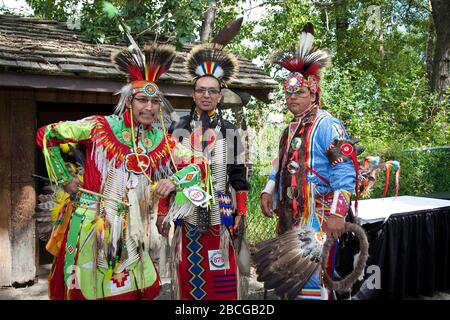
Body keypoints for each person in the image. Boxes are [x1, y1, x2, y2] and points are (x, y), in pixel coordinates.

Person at [36, 43, 207, 300]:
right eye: (142, 100)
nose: (149, 107)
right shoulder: (100, 127)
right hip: (92, 224)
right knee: (88, 290)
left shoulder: (161, 140)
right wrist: (64, 178)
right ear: (128, 101)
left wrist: (173, 181)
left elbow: (200, 164)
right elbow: (47, 134)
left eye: (155, 101)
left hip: (133, 228)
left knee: (134, 290)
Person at [259, 23, 359, 300]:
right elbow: (279, 165)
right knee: (291, 277)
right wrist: (268, 190)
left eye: (299, 93)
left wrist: (338, 214)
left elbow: (345, 171)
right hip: (290, 213)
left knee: (313, 277)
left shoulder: (329, 126)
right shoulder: (289, 129)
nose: (292, 98)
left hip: (319, 214)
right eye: (289, 93)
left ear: (313, 93)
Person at [157, 42, 250, 300]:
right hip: (186, 214)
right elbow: (166, 171)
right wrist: (162, 212)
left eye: (212, 91)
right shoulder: (178, 127)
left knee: (222, 275)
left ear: (220, 96)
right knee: (189, 273)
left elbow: (239, 176)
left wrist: (241, 212)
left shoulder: (230, 130)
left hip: (220, 215)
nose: (206, 95)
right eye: (201, 90)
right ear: (193, 94)